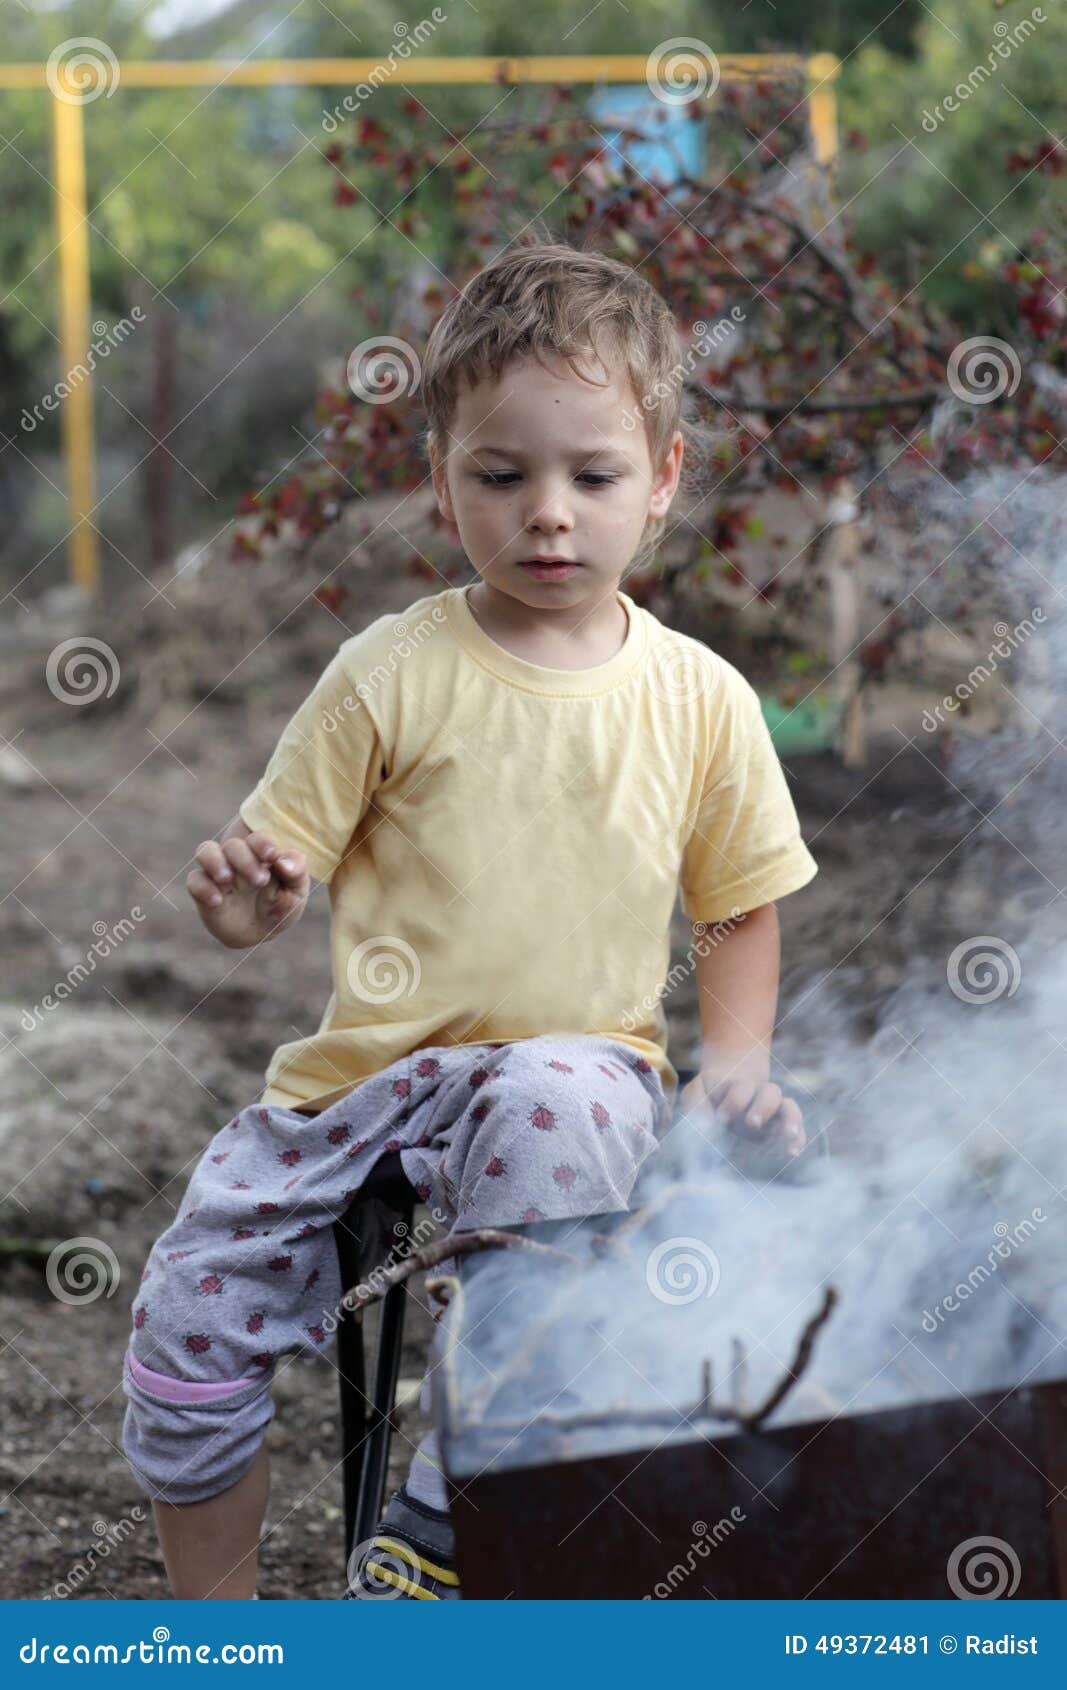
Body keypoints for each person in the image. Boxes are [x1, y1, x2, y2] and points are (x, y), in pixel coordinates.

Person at [120, 234, 818, 1601]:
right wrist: (250, 905)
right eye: (501, 475)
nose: (547, 512)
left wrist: (737, 1062)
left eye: (593, 475)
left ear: (663, 481)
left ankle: (447, 1520)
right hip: (369, 1084)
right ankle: (221, 1620)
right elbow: (275, 882)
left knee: (551, 1100)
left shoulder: (702, 699)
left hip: (578, 1072)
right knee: (188, 1295)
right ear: (446, 485)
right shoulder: (387, 672)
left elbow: (739, 908)